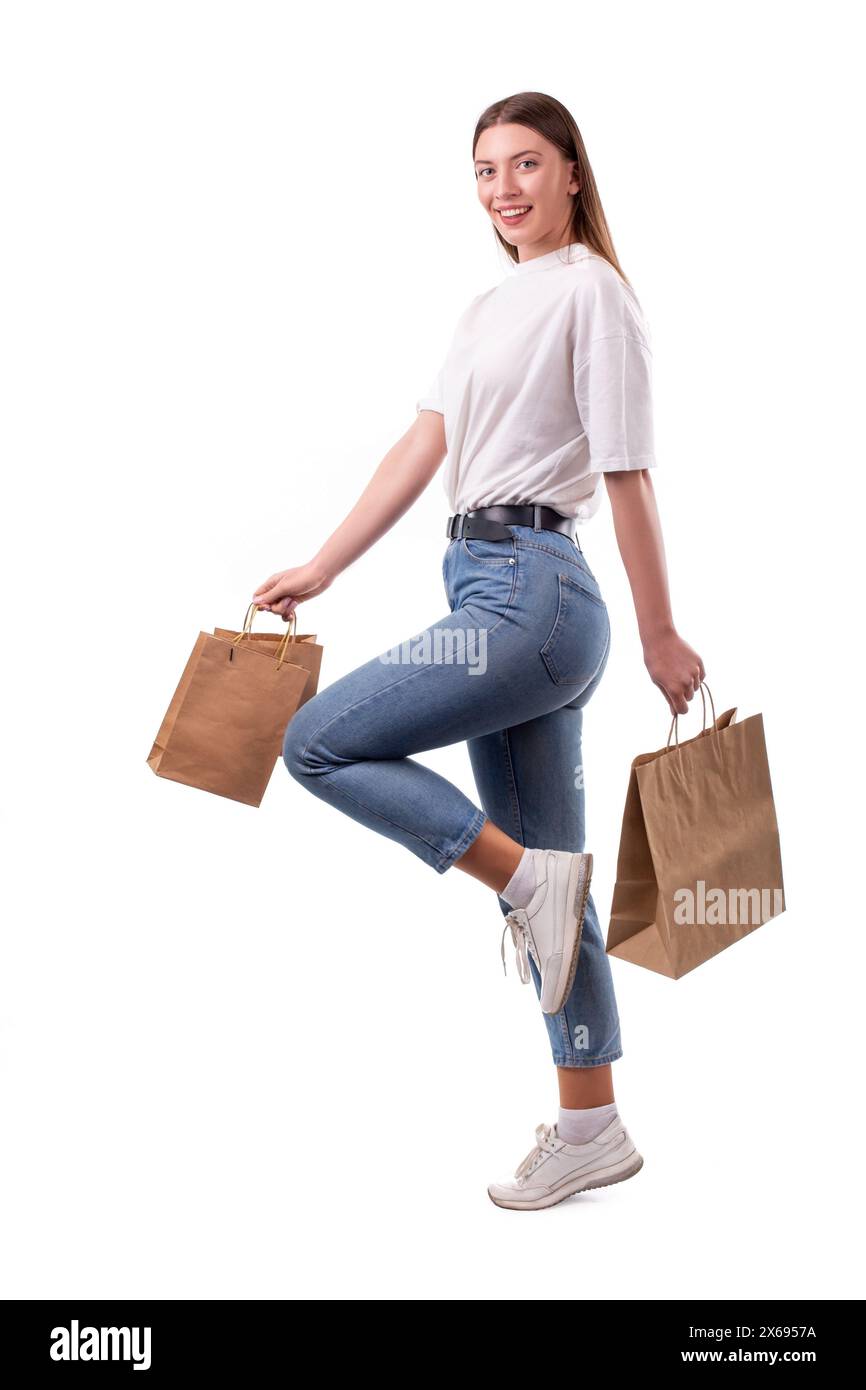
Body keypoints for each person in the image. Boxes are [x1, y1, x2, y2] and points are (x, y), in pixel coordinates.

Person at [252, 91, 704, 1212]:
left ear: (572, 174)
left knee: (315, 743)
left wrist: (659, 630)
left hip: (531, 596)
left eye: (526, 165)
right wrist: (323, 564)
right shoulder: (488, 308)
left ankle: (525, 883)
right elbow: (423, 446)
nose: (504, 189)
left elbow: (628, 472)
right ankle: (592, 1125)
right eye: (485, 171)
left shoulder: (593, 293)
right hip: (486, 584)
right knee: (557, 883)